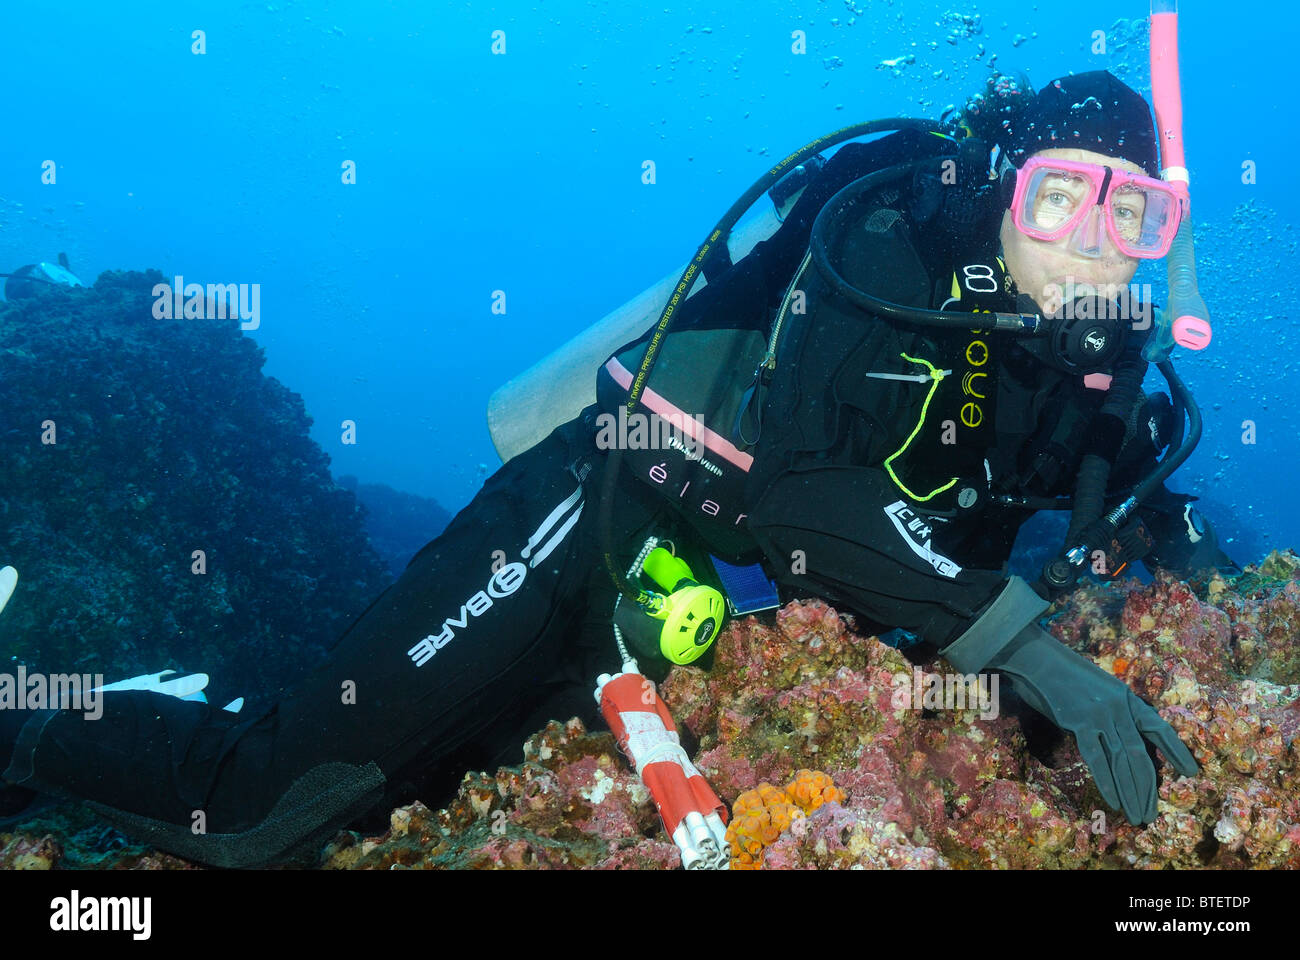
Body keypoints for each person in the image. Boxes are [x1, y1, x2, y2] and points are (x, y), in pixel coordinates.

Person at [0, 71, 1233, 867]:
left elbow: (1131, 510)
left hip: (680, 596)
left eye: (1133, 216)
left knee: (382, 818)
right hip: (595, 504)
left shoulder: (1098, 375)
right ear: (994, 192)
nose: (1093, 248)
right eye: (1060, 197)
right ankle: (34, 720)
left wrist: (1197, 595)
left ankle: (189, 702)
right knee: (267, 815)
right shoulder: (886, 246)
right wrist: (1028, 652)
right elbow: (804, 504)